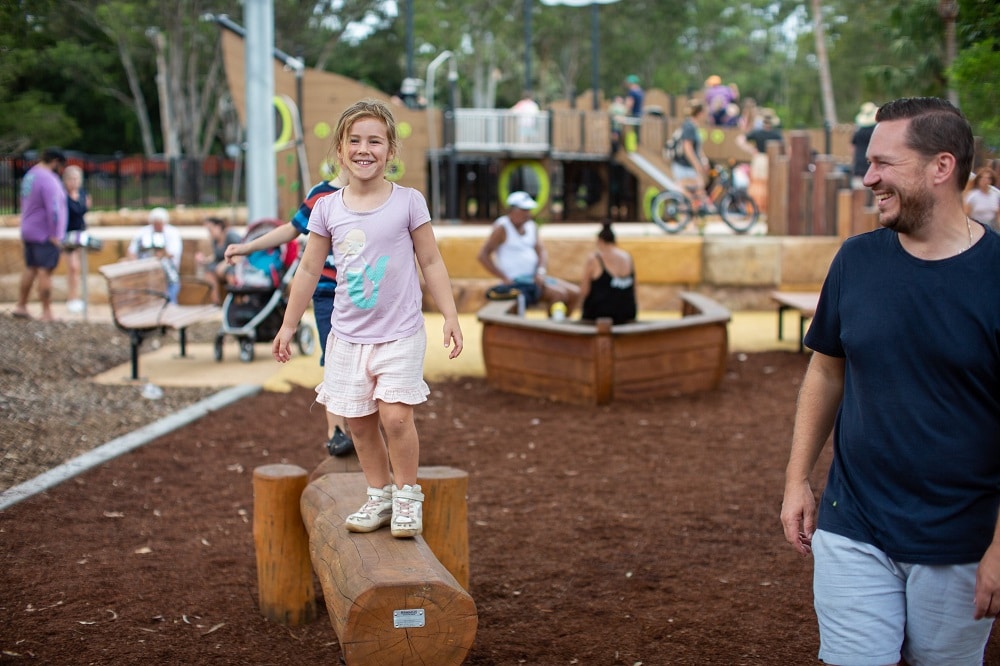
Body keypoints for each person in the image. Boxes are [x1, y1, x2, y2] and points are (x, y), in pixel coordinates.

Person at [779, 97, 1000, 665]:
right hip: (852, 525)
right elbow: (826, 370)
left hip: (961, 540)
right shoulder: (856, 261)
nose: (867, 176)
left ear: (941, 167)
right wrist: (798, 477)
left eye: (884, 163)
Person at [272, 99, 463, 539]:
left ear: (390, 150)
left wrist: (449, 315)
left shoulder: (408, 202)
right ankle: (379, 494)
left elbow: (431, 261)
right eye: (354, 140)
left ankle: (407, 494)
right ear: (340, 151)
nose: (364, 149)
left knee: (395, 418)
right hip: (348, 336)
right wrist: (287, 324)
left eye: (375, 140)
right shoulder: (327, 208)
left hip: (399, 333)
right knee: (357, 424)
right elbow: (306, 271)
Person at [225, 173, 355, 457]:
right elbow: (291, 229)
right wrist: (248, 247)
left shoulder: (375, 194)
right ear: (341, 152)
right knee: (334, 358)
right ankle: (336, 431)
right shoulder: (321, 194)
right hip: (329, 291)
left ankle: (362, 426)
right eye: (353, 142)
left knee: (367, 359)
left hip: (364, 292)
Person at [477, 190, 580, 315]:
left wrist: (540, 271)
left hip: (534, 278)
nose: (528, 213)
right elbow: (483, 256)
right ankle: (551, 328)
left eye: (528, 209)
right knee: (559, 294)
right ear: (512, 210)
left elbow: (541, 251)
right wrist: (504, 277)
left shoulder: (531, 226)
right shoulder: (502, 228)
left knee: (575, 293)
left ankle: (561, 328)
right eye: (524, 210)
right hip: (518, 281)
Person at [13, 147, 67, 321]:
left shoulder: (31, 175)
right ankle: (47, 312)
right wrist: (55, 234)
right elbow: (54, 209)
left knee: (31, 268)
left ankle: (21, 305)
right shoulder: (48, 179)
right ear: (55, 162)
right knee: (44, 271)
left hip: (29, 229)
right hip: (44, 233)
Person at [578, 221, 636, 325]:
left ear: (600, 241)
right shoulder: (628, 257)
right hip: (627, 313)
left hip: (599, 314)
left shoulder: (594, 259)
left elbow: (584, 291)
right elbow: (634, 288)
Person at [127, 207, 183, 303]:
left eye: (159, 223)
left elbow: (173, 254)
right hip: (145, 269)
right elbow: (131, 251)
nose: (157, 226)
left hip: (167, 272)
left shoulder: (172, 232)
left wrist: (161, 253)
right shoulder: (143, 232)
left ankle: (171, 304)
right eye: (155, 223)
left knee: (171, 281)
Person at [62, 164, 91, 314]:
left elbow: (83, 211)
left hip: (80, 233)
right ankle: (71, 298)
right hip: (68, 234)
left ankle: (78, 297)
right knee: (72, 267)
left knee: (79, 267)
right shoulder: (63, 195)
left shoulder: (82, 194)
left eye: (76, 178)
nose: (74, 181)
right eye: (71, 179)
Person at [671, 102, 711, 207]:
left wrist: (703, 160)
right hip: (684, 166)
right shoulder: (689, 126)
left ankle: (694, 219)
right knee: (691, 191)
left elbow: (698, 148)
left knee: (699, 191)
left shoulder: (694, 126)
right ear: (700, 113)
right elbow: (687, 148)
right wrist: (697, 164)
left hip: (688, 166)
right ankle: (687, 217)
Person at [197, 216, 241, 304]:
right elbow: (216, 256)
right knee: (209, 272)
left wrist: (224, 264)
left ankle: (237, 302)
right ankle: (216, 302)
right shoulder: (215, 240)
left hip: (235, 265)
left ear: (219, 226)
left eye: (211, 229)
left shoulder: (231, 235)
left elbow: (240, 254)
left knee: (230, 274)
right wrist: (205, 260)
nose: (209, 233)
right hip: (221, 268)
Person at [851, 101, 878, 189]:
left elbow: (852, 147)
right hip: (871, 166)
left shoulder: (858, 131)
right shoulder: (876, 130)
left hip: (859, 165)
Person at [964, 166, 1000, 232]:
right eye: (983, 178)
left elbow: (998, 215)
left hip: (991, 228)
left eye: (988, 178)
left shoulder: (995, 195)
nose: (985, 181)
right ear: (978, 180)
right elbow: (966, 215)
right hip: (976, 229)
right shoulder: (972, 196)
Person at [623, 74, 644, 144]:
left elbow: (629, 104)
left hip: (633, 116)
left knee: (632, 135)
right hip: (640, 115)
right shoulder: (640, 91)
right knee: (638, 135)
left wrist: (624, 114)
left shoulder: (632, 92)